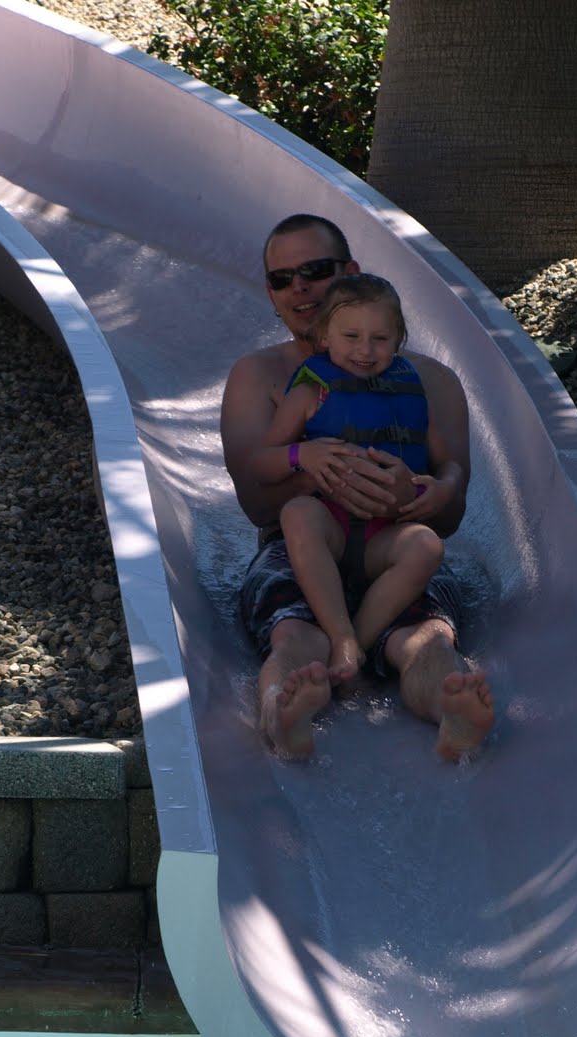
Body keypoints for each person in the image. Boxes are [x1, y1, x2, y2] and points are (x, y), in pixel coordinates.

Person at [223, 214, 494, 761]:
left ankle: (453, 712)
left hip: (390, 547)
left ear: (351, 273)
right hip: (299, 549)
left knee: (427, 640)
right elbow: (256, 500)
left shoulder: (429, 382)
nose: (299, 287)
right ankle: (285, 712)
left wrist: (422, 495)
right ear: (272, 295)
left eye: (315, 270)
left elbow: (452, 501)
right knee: (294, 635)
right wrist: (322, 472)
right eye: (282, 278)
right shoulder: (260, 377)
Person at [248, 273, 459, 690]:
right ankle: (342, 637)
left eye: (380, 338)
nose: (365, 350)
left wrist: (444, 488)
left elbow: (448, 462)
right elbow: (261, 462)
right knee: (298, 512)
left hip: (387, 537)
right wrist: (300, 454)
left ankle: (355, 645)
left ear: (399, 339)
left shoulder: (410, 391)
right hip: (332, 532)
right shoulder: (312, 393)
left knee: (428, 545)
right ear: (325, 335)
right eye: (351, 336)